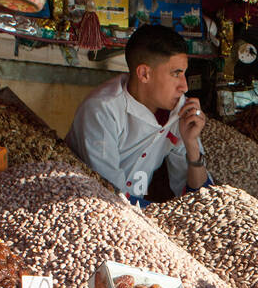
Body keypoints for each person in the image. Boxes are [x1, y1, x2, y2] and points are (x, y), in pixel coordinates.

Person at [66, 24, 211, 206]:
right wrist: (161, 218)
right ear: (144, 74)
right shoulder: (102, 109)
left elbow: (201, 197)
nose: (185, 86)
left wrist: (191, 145)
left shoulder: (180, 111)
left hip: (135, 215)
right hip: (84, 208)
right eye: (176, 74)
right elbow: (110, 195)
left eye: (184, 74)